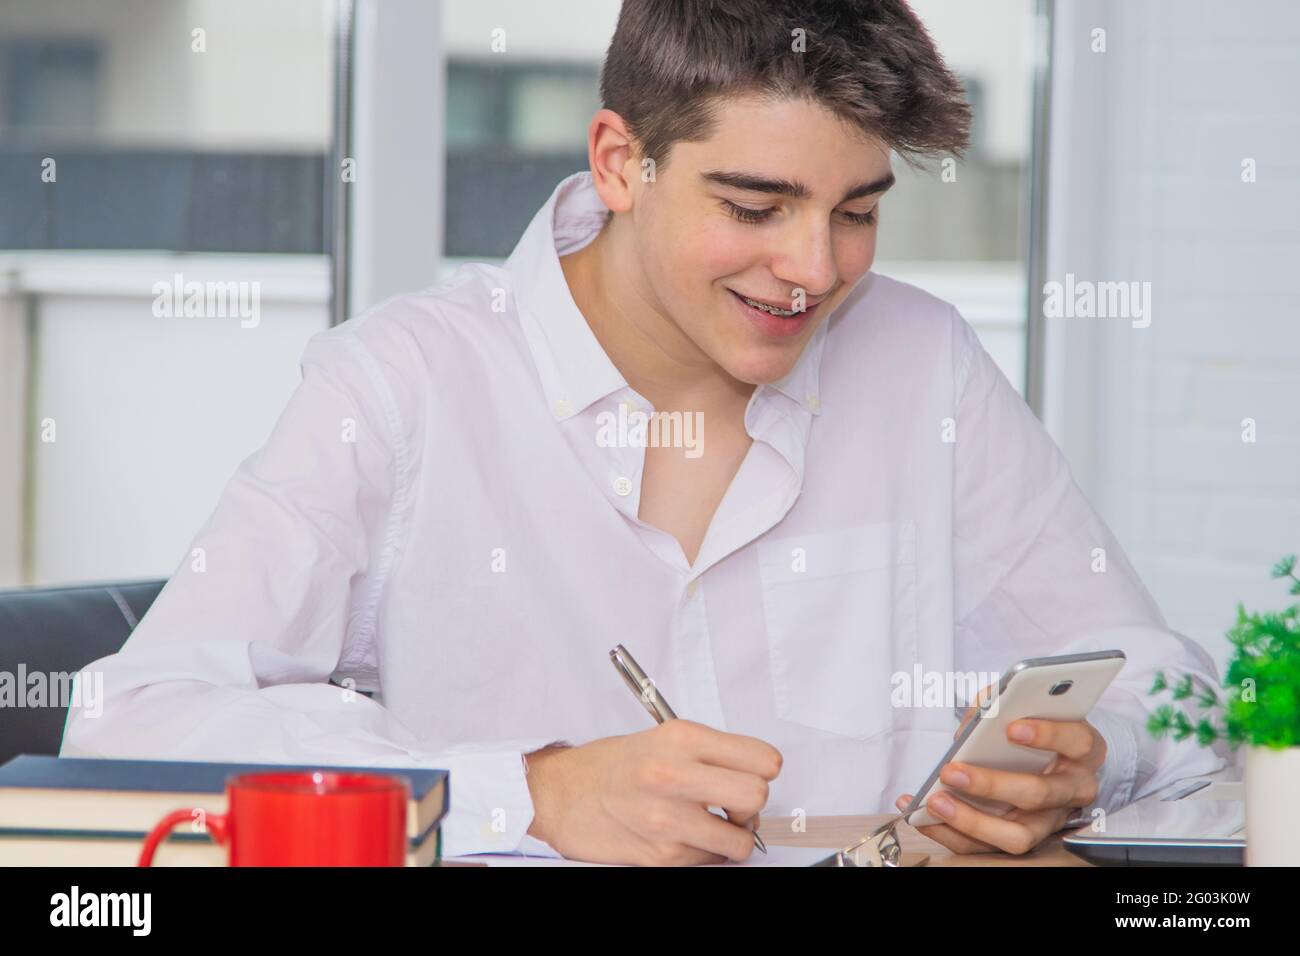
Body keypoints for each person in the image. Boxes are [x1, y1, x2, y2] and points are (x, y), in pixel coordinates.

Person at [61, 0, 1224, 865]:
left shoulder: (922, 362)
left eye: (857, 211)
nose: (813, 269)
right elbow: (132, 726)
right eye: (755, 207)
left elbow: (1166, 680)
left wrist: (1092, 755)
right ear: (621, 161)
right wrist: (531, 790)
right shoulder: (404, 382)